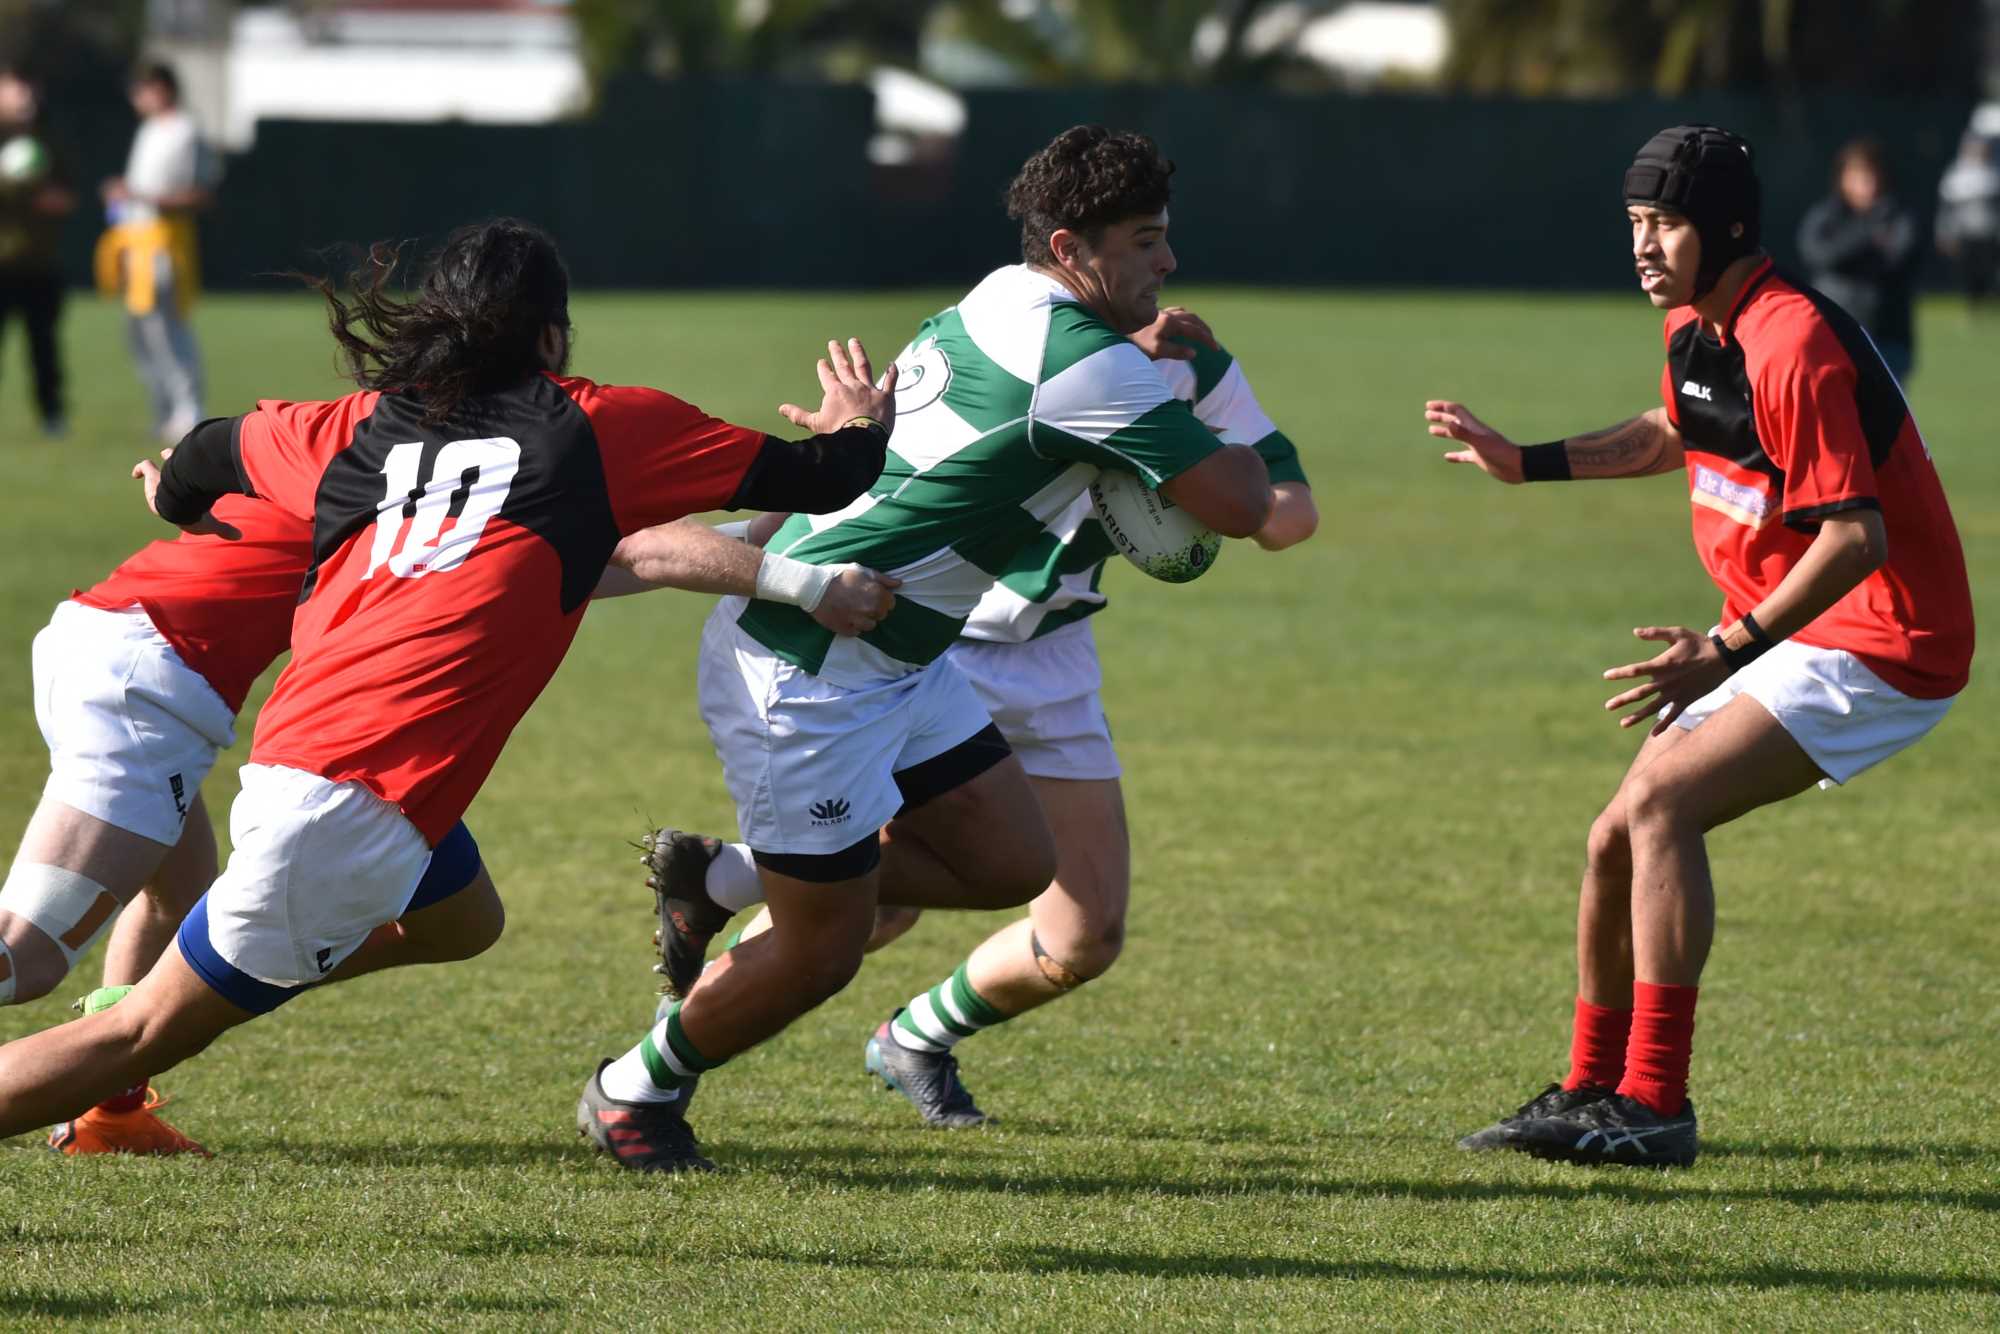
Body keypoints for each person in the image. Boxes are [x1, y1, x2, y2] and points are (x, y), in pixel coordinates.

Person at [0, 217, 895, 1148]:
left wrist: (177, 498)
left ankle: (221, 962)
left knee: (465, 916)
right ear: (550, 336)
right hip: (353, 809)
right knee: (133, 1032)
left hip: (310, 763)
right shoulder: (594, 423)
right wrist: (860, 421)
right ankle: (183, 997)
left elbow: (211, 448)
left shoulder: (353, 428)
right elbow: (827, 477)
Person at [578, 125, 1276, 1173]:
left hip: (901, 651)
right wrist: (1200, 383)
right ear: (1071, 245)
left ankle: (722, 883)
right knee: (826, 949)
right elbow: (1239, 503)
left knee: (1014, 860)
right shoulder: (1088, 372)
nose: (1165, 263)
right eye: (1143, 242)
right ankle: (634, 1088)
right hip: (806, 666)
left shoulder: (1003, 295)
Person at [1430, 125, 1972, 1168]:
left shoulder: (1791, 340)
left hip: (1883, 637)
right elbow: (1677, 427)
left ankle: (1656, 1103)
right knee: (1610, 838)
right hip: (1792, 629)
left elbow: (1858, 537)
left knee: (1660, 805)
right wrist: (1523, 461)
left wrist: (1725, 648)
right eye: (1633, 223)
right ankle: (1592, 1084)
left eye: (1663, 223)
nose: (1642, 245)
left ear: (1725, 227)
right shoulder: (1694, 323)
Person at [695, 323, 1319, 1128]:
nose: (1153, 272)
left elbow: (1288, 516)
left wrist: (1192, 466)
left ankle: (903, 1029)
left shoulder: (1190, 366)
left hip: (1058, 657)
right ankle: (664, 1060)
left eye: (1157, 247)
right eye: (1134, 247)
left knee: (1084, 934)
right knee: (864, 915)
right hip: (937, 640)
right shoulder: (1016, 339)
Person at [97, 62, 212, 443]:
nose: (137, 98)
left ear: (162, 88)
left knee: (167, 327)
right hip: (137, 240)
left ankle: (188, 408)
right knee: (140, 330)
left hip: (166, 242)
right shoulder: (148, 130)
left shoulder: (186, 131)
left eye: (142, 89)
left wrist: (141, 195)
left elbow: (200, 194)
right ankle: (163, 408)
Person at [1796, 138, 1920, 379]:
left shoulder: (1898, 216)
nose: (1866, 184)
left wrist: (1849, 255)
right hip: (1831, 333)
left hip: (1887, 337)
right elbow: (1819, 255)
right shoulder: (1826, 216)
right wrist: (1866, 237)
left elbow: (1897, 260)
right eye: (1858, 176)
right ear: (1842, 177)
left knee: (1884, 415)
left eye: (1871, 175)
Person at [0, 68, 76, 439]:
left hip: (40, 263)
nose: (22, 96)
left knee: (43, 346)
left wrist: (49, 197)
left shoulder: (48, 141)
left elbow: (66, 196)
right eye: (13, 89)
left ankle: (53, 417)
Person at [1935, 132, 2000, 311]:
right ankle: (1973, 305)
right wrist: (1945, 233)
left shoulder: (1994, 173)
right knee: (1970, 271)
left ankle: (1989, 303)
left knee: (1988, 270)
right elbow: (1947, 211)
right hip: (1966, 234)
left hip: (1988, 233)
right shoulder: (1957, 176)